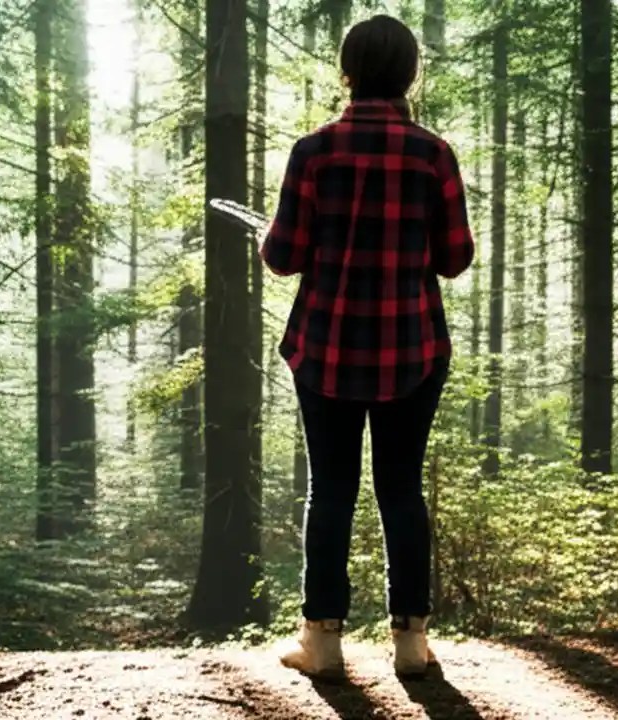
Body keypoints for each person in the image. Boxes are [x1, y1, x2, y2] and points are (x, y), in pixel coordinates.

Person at [259, 14, 474, 679]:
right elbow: (455, 258)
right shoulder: (433, 154)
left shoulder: (313, 152)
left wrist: (280, 235)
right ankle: (411, 644)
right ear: (411, 75)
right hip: (412, 348)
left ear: (345, 72)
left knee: (331, 491)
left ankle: (321, 644)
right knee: (401, 489)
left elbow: (283, 258)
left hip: (324, 348)